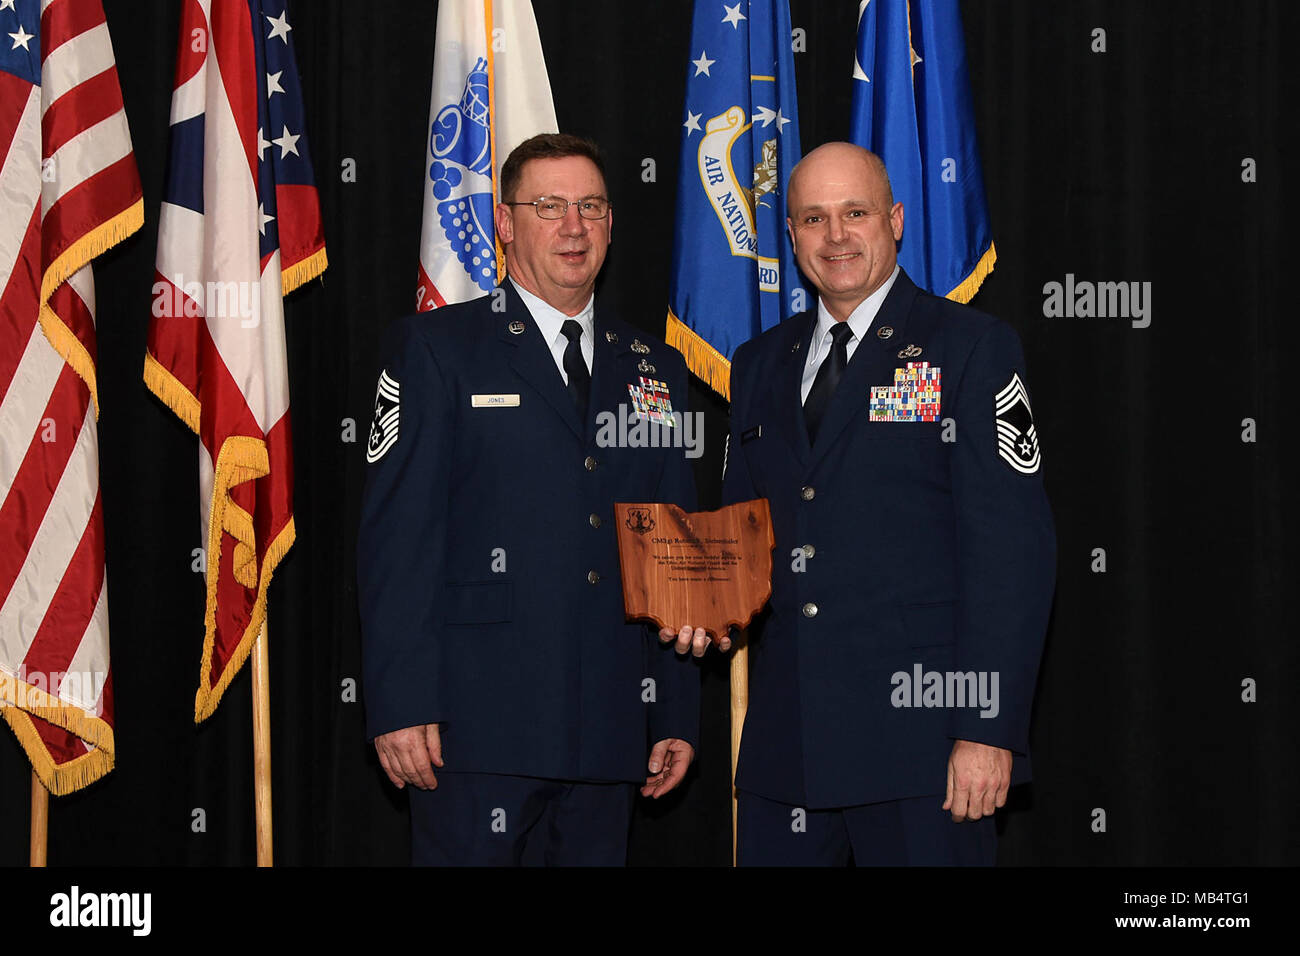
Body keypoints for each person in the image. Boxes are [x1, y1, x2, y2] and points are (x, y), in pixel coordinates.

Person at [357, 133, 700, 866]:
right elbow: (398, 543)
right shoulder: (436, 350)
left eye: (591, 206)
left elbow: (669, 547)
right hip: (473, 734)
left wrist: (674, 708)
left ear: (611, 222)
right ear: (506, 223)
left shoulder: (654, 367)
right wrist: (402, 702)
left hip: (610, 730)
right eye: (548, 206)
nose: (572, 226)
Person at [720, 142, 1056, 865]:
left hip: (924, 750)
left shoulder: (971, 348)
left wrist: (987, 728)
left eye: (855, 213)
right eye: (813, 218)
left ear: (895, 220)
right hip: (788, 752)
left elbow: (1013, 555)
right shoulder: (756, 364)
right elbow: (737, 540)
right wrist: (706, 611)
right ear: (791, 235)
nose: (835, 236)